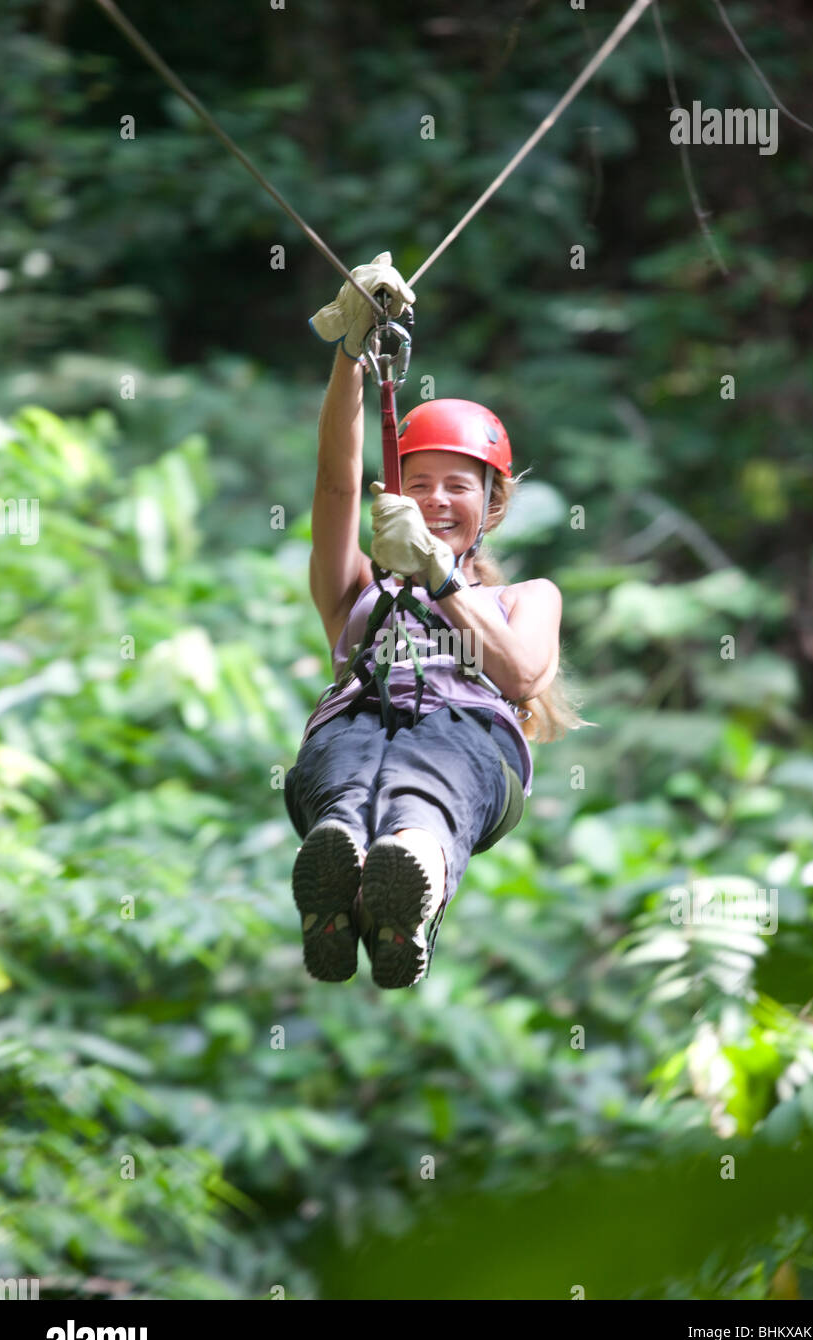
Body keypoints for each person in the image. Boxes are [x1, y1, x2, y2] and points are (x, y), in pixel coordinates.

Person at [285, 253, 583, 989]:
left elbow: (518, 672)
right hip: (352, 730)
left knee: (428, 776)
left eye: (459, 486)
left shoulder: (528, 598)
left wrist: (436, 572)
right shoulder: (351, 587)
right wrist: (350, 358)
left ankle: (411, 864)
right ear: (396, 498)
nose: (439, 501)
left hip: (472, 747)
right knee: (350, 778)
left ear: (492, 506)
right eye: (419, 486)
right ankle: (343, 876)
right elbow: (333, 480)